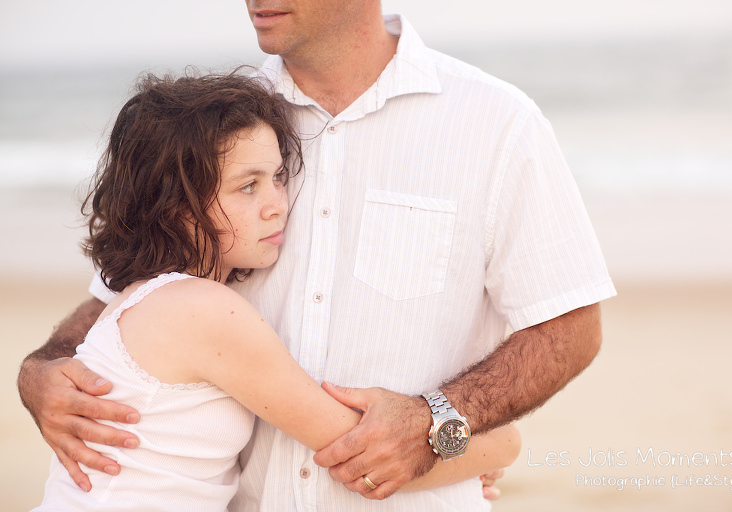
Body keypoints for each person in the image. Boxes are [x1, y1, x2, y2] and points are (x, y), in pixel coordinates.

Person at [18, 2, 617, 510]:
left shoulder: (496, 123)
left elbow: (569, 326)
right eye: (254, 186)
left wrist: (442, 423)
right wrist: (40, 373)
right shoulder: (220, 125)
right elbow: (119, 301)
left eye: (274, 182)